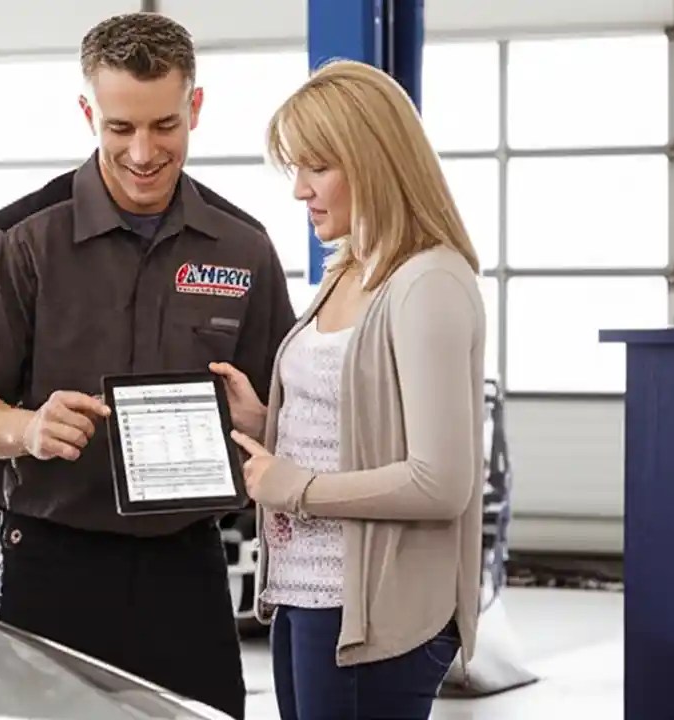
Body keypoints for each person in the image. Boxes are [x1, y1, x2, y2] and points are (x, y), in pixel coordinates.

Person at [0, 11, 296, 719]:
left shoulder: (243, 248)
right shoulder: (21, 239)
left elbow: (280, 413)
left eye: (164, 125)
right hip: (52, 560)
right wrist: (28, 430)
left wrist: (266, 424)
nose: (143, 152)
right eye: (119, 128)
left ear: (195, 106)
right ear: (87, 112)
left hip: (185, 562)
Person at [211, 58, 487, 719]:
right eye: (295, 170)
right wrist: (264, 420)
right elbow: (350, 426)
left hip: (371, 612)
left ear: (372, 161)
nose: (300, 190)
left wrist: (297, 488)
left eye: (317, 167)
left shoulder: (428, 284)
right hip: (306, 596)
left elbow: (441, 481)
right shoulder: (347, 272)